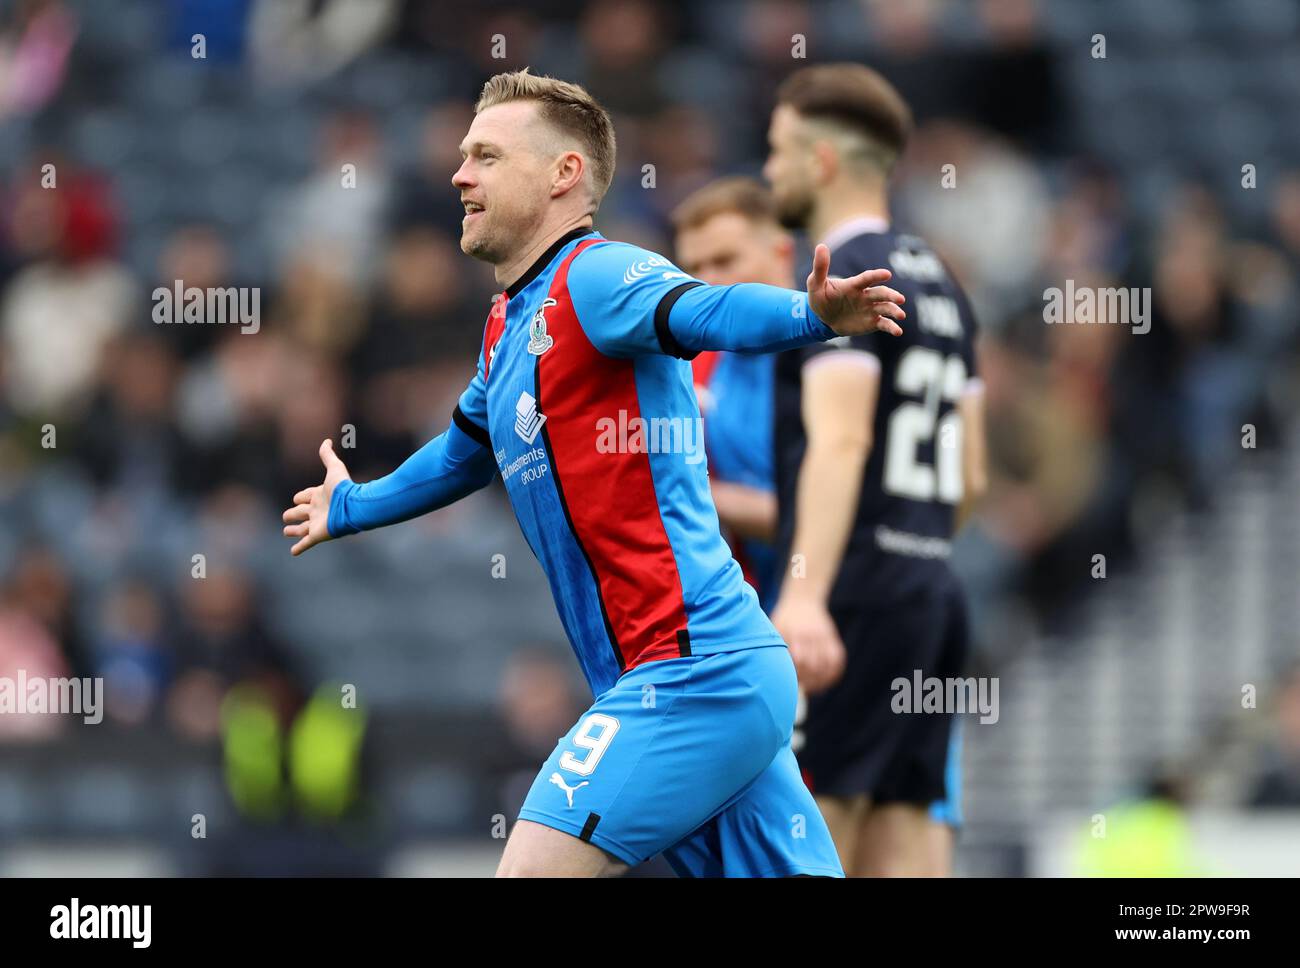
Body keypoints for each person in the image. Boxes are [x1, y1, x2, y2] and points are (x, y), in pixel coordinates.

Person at [282, 69, 907, 877]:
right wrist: (354, 505)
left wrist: (812, 315)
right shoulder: (509, 321)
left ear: (562, 174)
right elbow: (462, 451)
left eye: (486, 156)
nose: (458, 174)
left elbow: (705, 310)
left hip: (692, 674)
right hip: (699, 681)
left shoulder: (598, 275)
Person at [763, 63, 987, 876]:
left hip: (850, 596)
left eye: (778, 149)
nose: (768, 169)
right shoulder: (942, 280)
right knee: (907, 843)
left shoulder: (845, 283)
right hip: (932, 593)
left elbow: (842, 440)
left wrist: (805, 594)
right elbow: (973, 480)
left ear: (822, 162)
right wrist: (913, 545)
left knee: (808, 837)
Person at [670, 176, 794, 612]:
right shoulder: (692, 364)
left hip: (846, 610)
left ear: (783, 252)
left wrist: (687, 491)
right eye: (694, 269)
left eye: (724, 261)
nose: (707, 283)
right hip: (757, 617)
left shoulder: (833, 363)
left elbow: (841, 516)